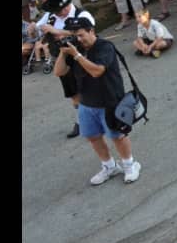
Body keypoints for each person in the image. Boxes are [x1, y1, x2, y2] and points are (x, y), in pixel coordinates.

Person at [54, 16, 141, 185]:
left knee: (117, 136)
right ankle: (109, 166)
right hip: (86, 103)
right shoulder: (75, 49)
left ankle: (130, 165)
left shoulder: (104, 47)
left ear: (91, 31)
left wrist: (76, 55)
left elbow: (97, 71)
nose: (78, 39)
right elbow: (59, 72)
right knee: (93, 137)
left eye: (81, 35)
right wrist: (63, 53)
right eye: (74, 36)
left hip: (109, 101)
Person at [37, 0, 96, 138]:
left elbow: (88, 32)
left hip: (82, 56)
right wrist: (35, 29)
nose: (58, 13)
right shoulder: (51, 15)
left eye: (60, 10)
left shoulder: (82, 15)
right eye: (55, 11)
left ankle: (93, 117)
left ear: (66, 5)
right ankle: (81, 119)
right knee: (73, 92)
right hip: (62, 58)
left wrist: (57, 31)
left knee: (89, 88)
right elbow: (39, 26)